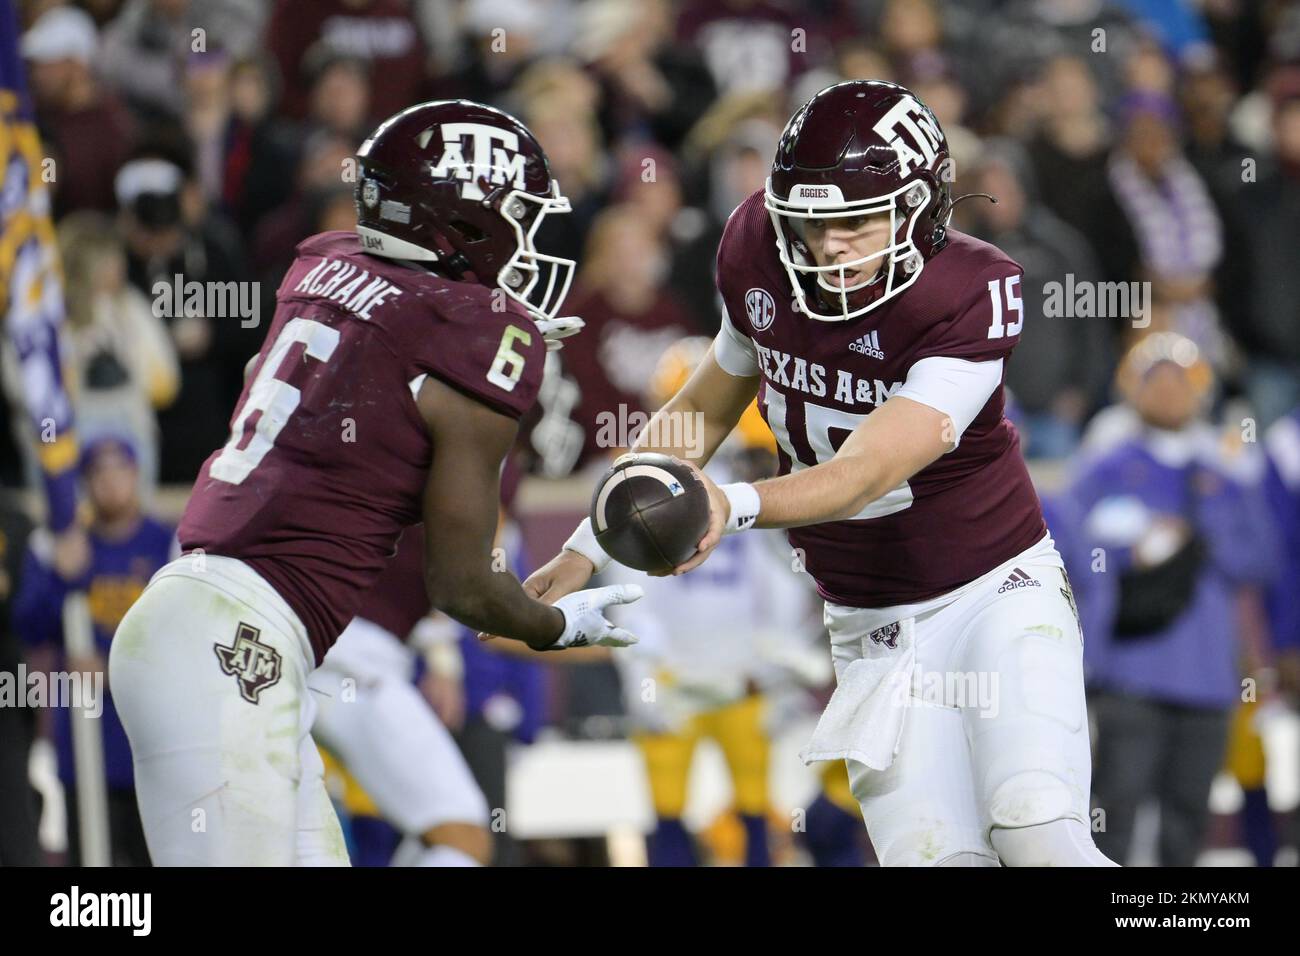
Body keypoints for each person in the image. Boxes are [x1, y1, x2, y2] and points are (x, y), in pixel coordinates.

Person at [523, 80, 1115, 866]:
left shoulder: (969, 289)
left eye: (858, 223)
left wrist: (724, 507)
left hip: (990, 594)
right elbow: (700, 409)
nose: (830, 245)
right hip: (869, 624)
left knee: (1036, 830)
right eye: (813, 223)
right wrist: (583, 547)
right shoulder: (758, 246)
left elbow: (869, 469)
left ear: (921, 211)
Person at [107, 100, 643, 866]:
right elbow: (462, 585)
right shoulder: (477, 332)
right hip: (235, 642)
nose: (528, 239)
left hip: (223, 626)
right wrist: (554, 626)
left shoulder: (323, 259)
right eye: (515, 214)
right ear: (462, 220)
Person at [1057, 333, 1278, 865]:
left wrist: (1200, 525)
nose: (1169, 392)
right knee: (1114, 809)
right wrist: (1132, 545)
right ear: (1132, 388)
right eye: (1155, 379)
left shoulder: (1224, 471)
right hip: (1131, 671)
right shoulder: (1106, 464)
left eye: (1182, 380)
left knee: (1188, 816)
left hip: (1207, 676)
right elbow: (1068, 548)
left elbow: (1260, 559)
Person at [14, 435, 175, 867]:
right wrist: (60, 576)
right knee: (88, 860)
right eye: (98, 475)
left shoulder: (167, 546)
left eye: (118, 471)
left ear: (136, 475)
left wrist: (115, 671)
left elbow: (184, 641)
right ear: (85, 484)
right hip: (84, 745)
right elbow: (29, 626)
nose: (110, 484)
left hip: (151, 744)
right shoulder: (66, 548)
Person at [308, 525, 492, 867]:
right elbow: (477, 591)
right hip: (354, 660)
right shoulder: (458, 475)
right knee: (464, 837)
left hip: (283, 654)